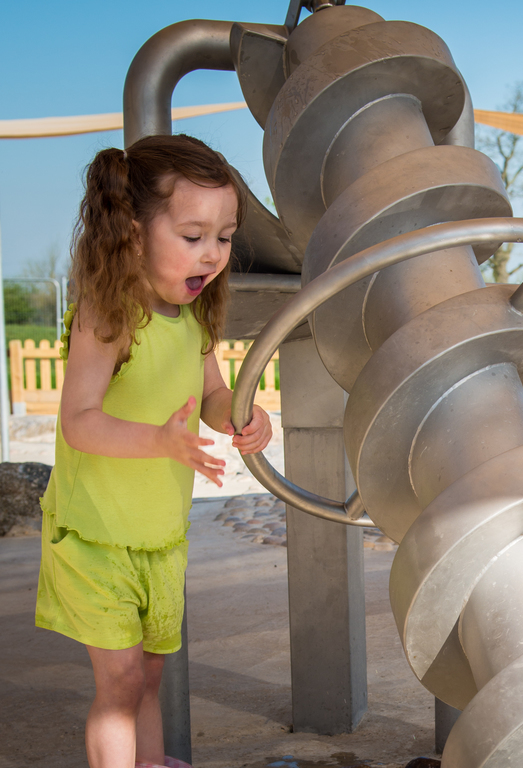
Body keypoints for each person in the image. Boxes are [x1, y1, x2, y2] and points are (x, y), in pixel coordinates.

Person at [34, 134, 273, 768]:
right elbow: (80, 421)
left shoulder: (190, 318)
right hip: (97, 537)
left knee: (149, 679)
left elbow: (214, 395)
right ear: (135, 233)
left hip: (161, 537)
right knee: (117, 687)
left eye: (223, 238)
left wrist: (244, 418)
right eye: (193, 236)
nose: (214, 255)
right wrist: (160, 440)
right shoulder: (106, 315)